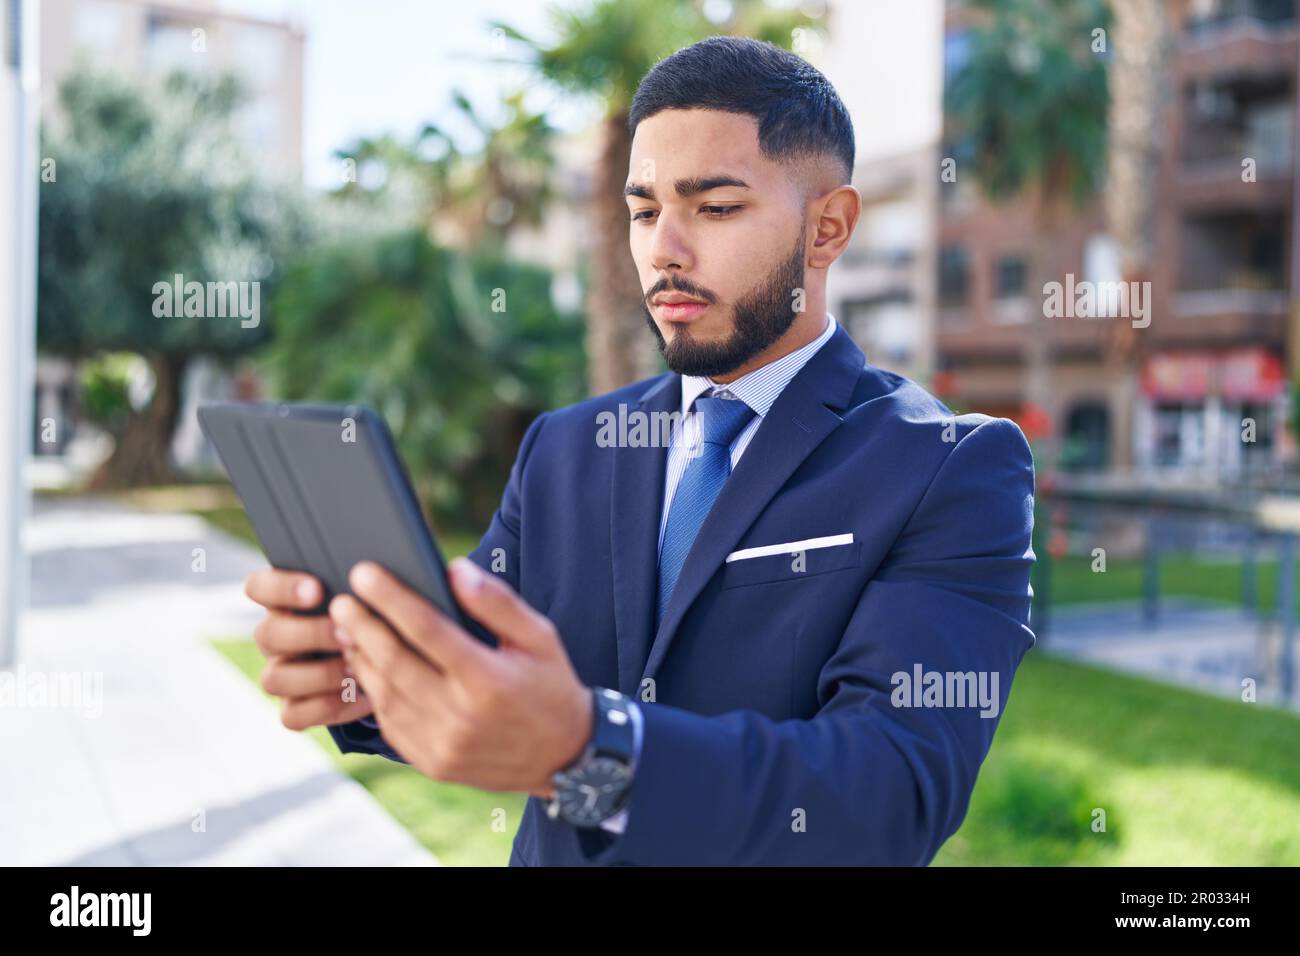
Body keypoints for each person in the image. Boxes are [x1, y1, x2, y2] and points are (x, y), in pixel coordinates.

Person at [243, 36, 1036, 866]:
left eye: (715, 207)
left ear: (828, 229)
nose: (664, 249)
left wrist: (589, 747)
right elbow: (488, 681)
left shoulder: (951, 467)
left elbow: (888, 796)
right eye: (645, 210)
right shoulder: (565, 447)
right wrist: (365, 678)